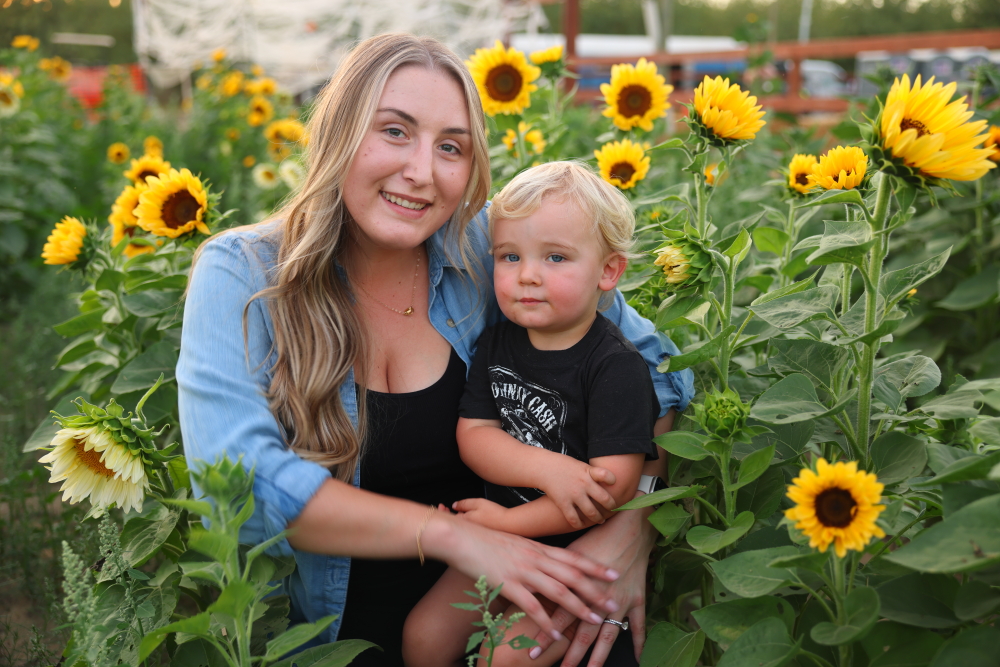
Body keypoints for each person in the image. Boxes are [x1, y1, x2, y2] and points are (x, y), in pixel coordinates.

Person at [177, 33, 694, 667]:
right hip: (339, 640)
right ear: (338, 133)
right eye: (395, 131)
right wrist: (454, 538)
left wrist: (630, 528)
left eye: (451, 147)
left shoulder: (489, 252)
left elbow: (658, 370)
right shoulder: (247, 276)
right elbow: (244, 489)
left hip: (528, 604)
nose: (422, 172)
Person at [402, 161, 658, 667]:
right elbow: (475, 433)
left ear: (608, 270)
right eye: (510, 256)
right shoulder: (498, 342)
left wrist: (509, 522)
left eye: (556, 257)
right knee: (424, 636)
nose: (528, 276)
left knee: (509, 656)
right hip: (500, 532)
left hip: (576, 552)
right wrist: (547, 469)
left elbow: (610, 491)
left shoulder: (616, 367)